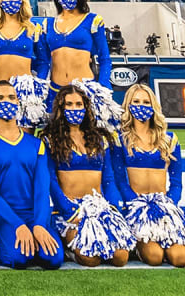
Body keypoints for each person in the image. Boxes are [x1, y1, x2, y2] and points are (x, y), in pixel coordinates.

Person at [0, 81, 63, 269]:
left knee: (53, 259)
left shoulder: (36, 144)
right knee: (20, 259)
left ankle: (38, 231)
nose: (6, 102)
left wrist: (38, 225)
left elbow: (41, 190)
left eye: (11, 97)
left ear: (18, 101)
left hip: (34, 214)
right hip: (4, 216)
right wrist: (18, 226)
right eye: (0, 98)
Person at [44, 85, 133, 267]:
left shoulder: (99, 138)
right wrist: (69, 211)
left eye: (79, 104)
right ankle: (69, 248)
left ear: (86, 108)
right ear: (61, 108)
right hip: (71, 211)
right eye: (69, 104)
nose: (75, 109)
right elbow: (51, 181)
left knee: (120, 258)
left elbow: (108, 179)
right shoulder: (50, 139)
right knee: (90, 259)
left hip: (99, 207)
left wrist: (113, 208)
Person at [112, 83, 185, 267]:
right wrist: (137, 206)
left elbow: (176, 182)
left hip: (164, 208)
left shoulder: (169, 139)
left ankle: (152, 240)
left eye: (146, 102)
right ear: (128, 105)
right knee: (154, 257)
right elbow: (120, 181)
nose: (141, 106)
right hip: (137, 210)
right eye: (136, 101)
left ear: (154, 106)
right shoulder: (120, 139)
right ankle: (136, 243)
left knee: (181, 259)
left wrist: (169, 205)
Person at [47, 0, 119, 130]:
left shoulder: (92, 20)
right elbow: (43, 60)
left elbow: (105, 58)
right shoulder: (48, 24)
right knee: (57, 142)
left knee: (91, 140)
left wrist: (103, 86)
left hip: (85, 91)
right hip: (55, 91)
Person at [0, 0, 52, 129]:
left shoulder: (32, 28)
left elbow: (43, 62)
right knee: (1, 139)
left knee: (25, 140)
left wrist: (38, 85)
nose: (11, 0)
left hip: (25, 92)